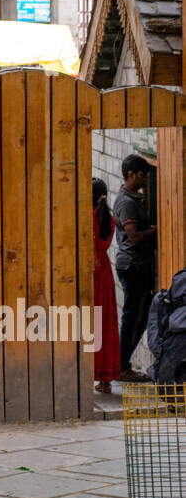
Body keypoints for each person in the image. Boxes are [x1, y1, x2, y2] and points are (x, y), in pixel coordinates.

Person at [112, 153, 157, 381]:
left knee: (140, 317)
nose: (145, 180)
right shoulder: (127, 203)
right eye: (142, 175)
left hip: (139, 267)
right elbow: (135, 237)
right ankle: (121, 367)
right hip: (133, 267)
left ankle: (122, 364)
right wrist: (156, 230)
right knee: (131, 318)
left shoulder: (133, 198)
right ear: (131, 175)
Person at [92, 179, 119, 393]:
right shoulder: (108, 218)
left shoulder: (86, 217)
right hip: (104, 272)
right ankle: (105, 380)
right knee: (104, 324)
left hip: (88, 271)